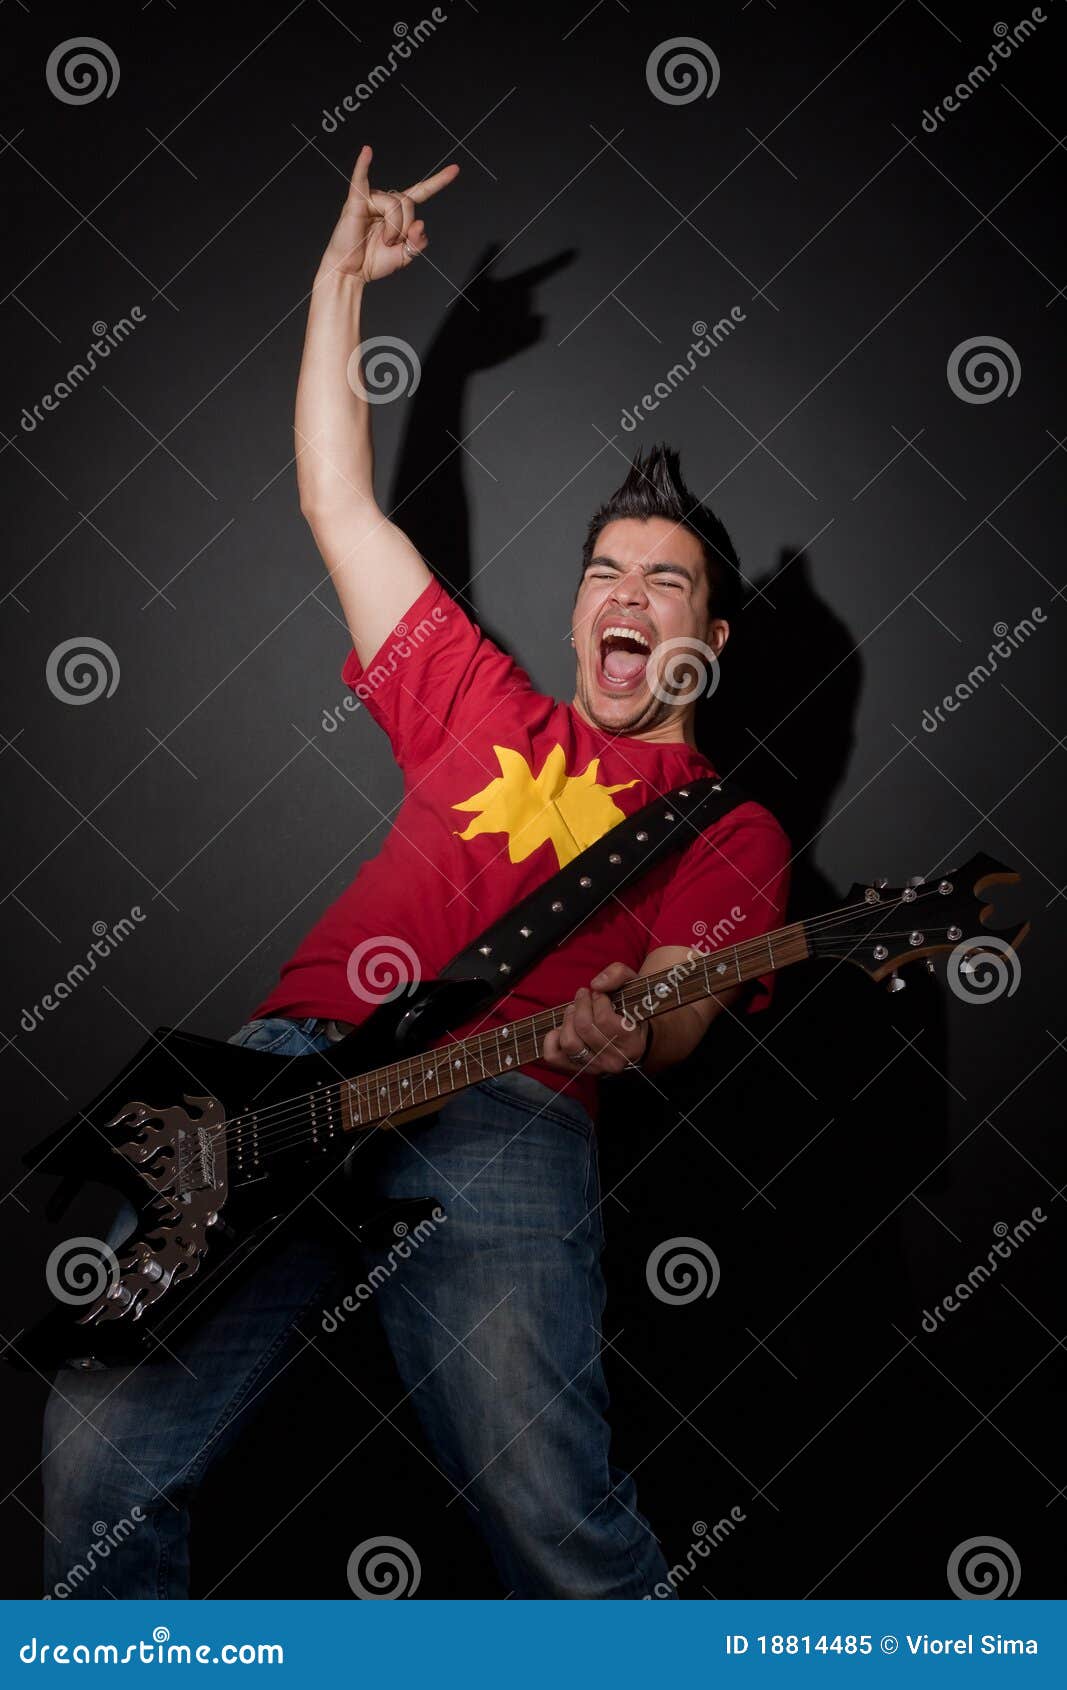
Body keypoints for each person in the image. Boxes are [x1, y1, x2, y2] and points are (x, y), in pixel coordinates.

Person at [41, 147, 790, 1600]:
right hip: (277, 1082)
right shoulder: (475, 702)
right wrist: (341, 287)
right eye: (604, 575)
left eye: (666, 581)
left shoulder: (724, 822)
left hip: (506, 1104)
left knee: (553, 1519)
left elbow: (688, 996)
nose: (625, 596)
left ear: (711, 634)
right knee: (98, 1456)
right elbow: (340, 499)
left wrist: (630, 1008)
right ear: (577, 615)